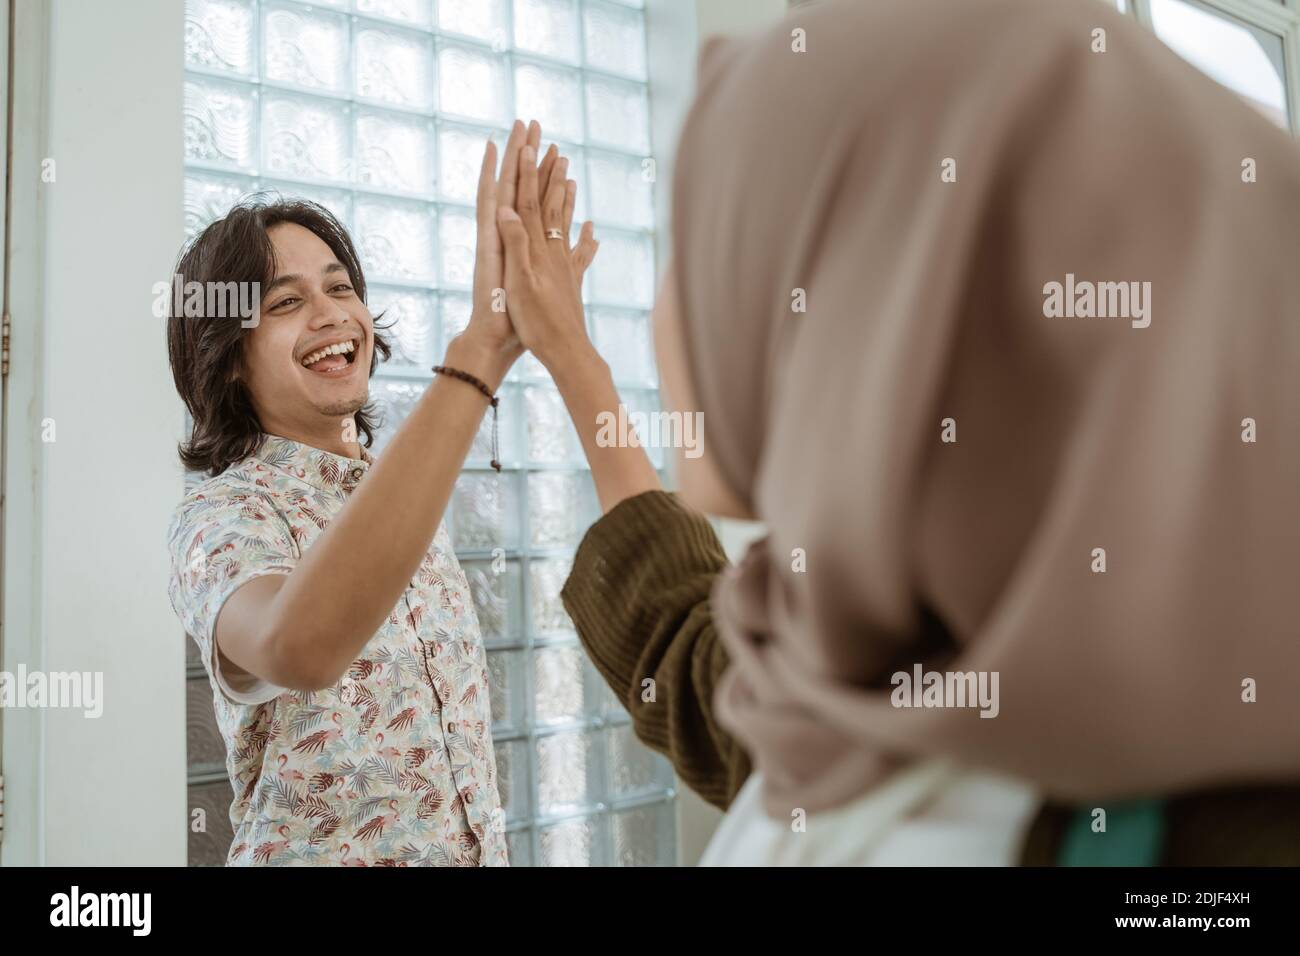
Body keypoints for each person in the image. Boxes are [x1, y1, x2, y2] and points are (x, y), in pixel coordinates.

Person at [492, 0, 1300, 864]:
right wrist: (572, 358)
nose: (669, 317)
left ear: (889, 310)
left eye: (711, 254)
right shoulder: (868, 691)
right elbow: (690, 652)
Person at [165, 120, 594, 866]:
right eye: (285, 302)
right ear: (227, 358)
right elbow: (296, 648)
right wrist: (481, 349)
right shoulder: (218, 517)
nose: (333, 314)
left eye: (340, 288)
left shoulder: (398, 498)